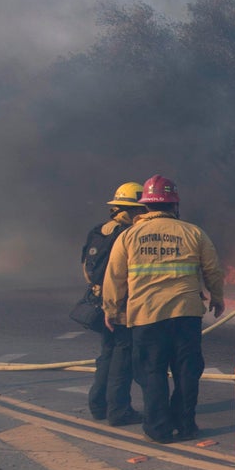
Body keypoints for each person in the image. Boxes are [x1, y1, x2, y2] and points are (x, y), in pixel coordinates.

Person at [102, 175, 225, 444]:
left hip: (147, 316)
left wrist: (111, 309)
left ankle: (158, 429)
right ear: (175, 205)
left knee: (151, 372)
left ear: (145, 205)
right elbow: (213, 270)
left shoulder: (129, 236)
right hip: (186, 314)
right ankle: (185, 425)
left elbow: (114, 277)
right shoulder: (194, 232)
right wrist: (217, 297)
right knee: (186, 372)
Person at [83, 182, 146, 425]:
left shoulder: (99, 231)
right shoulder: (126, 235)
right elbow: (122, 274)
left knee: (107, 354)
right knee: (123, 357)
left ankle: (98, 405)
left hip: (100, 301)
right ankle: (119, 411)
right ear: (133, 210)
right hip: (120, 305)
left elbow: (87, 271)